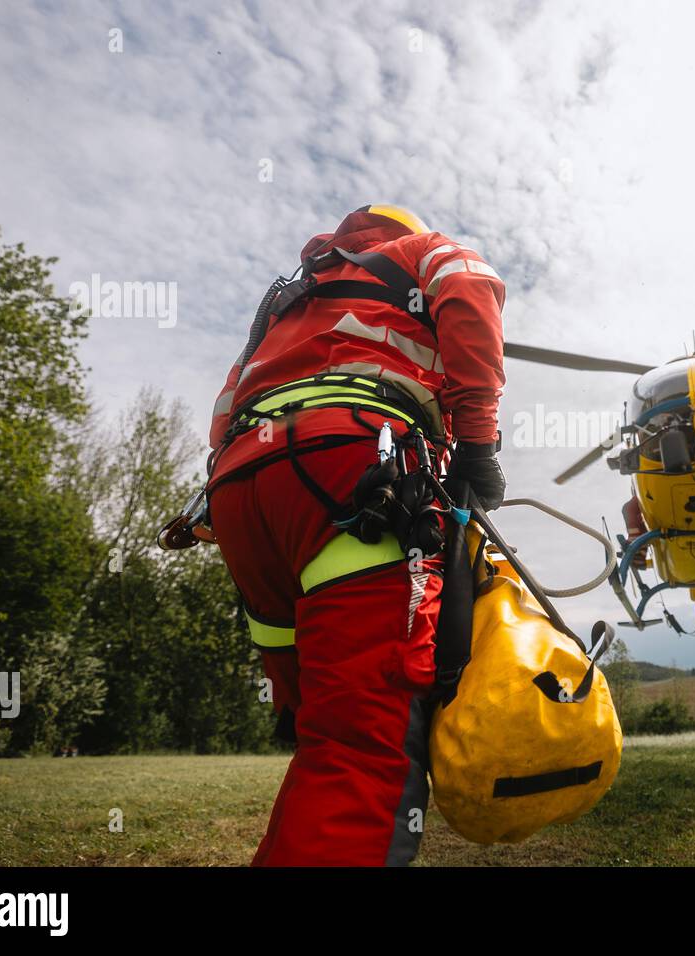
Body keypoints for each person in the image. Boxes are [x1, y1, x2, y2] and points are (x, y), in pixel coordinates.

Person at [203, 204, 506, 865]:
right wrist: (477, 442)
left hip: (239, 492)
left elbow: (225, 407)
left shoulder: (288, 299)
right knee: (362, 752)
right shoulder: (420, 251)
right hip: (351, 476)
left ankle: (292, 697)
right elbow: (471, 285)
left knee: (323, 745)